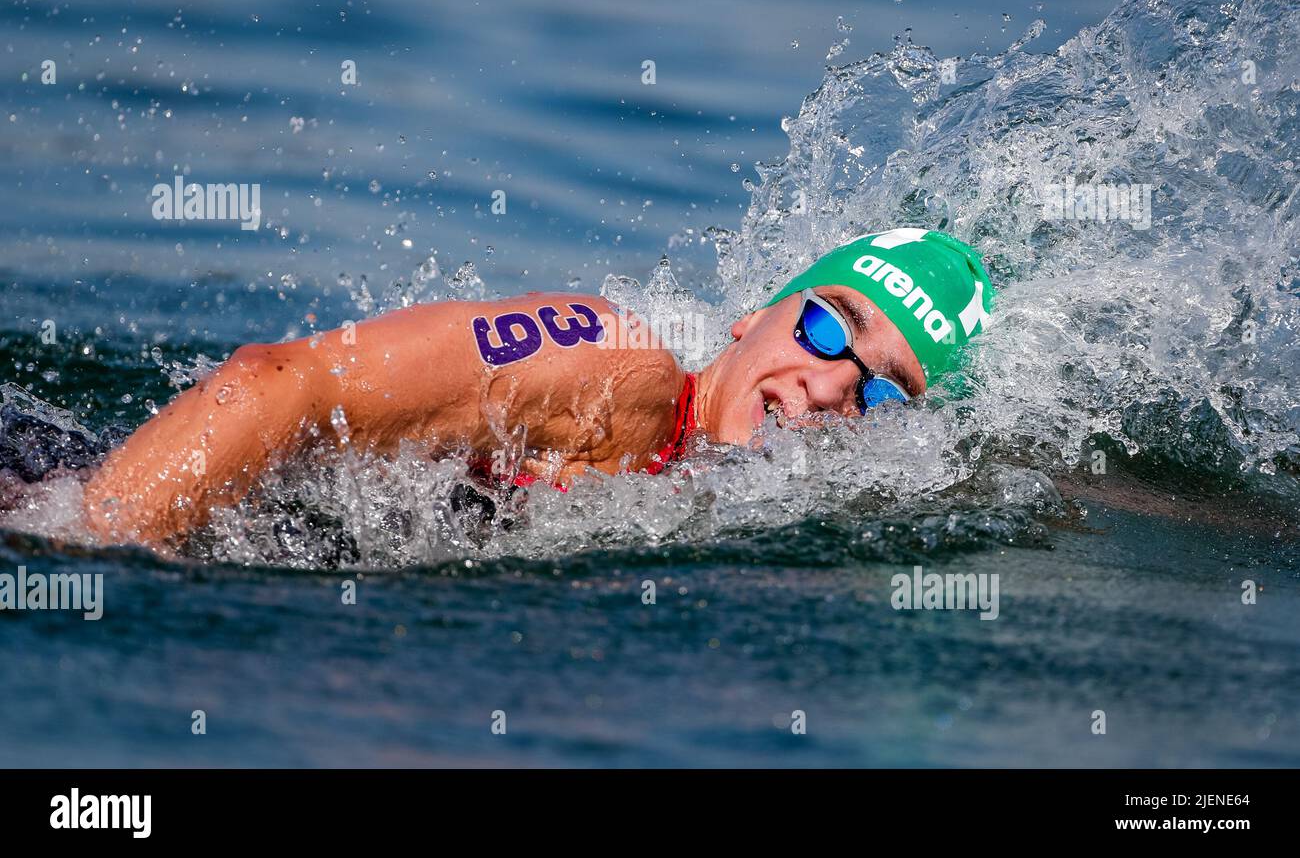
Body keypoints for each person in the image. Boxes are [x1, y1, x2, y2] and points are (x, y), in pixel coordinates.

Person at [82, 227, 995, 548]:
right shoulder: (618, 373)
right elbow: (275, 382)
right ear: (753, 314)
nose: (829, 383)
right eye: (830, 322)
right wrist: (95, 553)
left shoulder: (701, 494)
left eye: (881, 392)